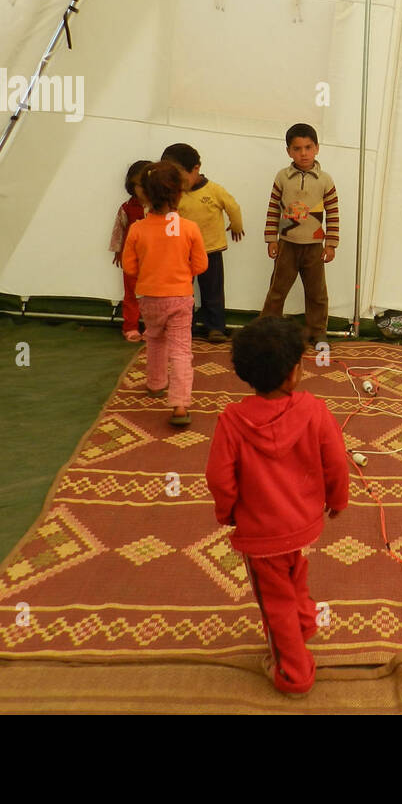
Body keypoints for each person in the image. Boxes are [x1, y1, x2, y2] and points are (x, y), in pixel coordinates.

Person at [205, 316, 350, 695]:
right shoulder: (315, 411)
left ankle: (293, 673)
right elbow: (337, 461)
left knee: (275, 602)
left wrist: (227, 512)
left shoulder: (231, 421)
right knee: (294, 573)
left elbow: (219, 478)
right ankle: (304, 624)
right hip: (303, 524)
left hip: (261, 535)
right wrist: (337, 499)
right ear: (293, 374)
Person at [122, 160, 209, 426]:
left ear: (145, 195)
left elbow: (129, 267)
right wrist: (181, 272)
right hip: (180, 297)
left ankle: (155, 383)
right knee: (181, 350)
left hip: (149, 298)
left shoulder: (137, 229)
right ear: (179, 194)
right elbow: (201, 265)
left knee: (155, 339)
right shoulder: (189, 228)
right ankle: (180, 404)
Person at [261, 124, 340, 349]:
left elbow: (333, 212)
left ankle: (318, 332)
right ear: (288, 151)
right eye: (297, 148)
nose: (303, 153)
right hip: (287, 244)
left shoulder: (325, 180)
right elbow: (273, 209)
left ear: (317, 148)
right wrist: (271, 238)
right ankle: (267, 330)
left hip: (314, 246)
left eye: (308, 147)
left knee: (317, 293)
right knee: (277, 291)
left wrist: (331, 244)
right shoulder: (282, 177)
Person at [161, 143, 244, 344]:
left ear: (196, 169)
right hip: (182, 252)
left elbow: (232, 206)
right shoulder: (173, 194)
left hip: (211, 250)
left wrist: (236, 225)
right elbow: (167, 217)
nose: (177, 182)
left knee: (213, 292)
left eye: (180, 176)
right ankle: (184, 327)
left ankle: (215, 328)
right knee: (182, 292)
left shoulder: (213, 190)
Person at [110, 159, 151, 342]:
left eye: (146, 185)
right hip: (132, 259)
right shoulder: (127, 208)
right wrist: (118, 251)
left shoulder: (161, 208)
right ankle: (130, 327)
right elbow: (119, 229)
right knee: (131, 295)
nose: (141, 190)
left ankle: (152, 327)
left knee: (153, 295)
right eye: (137, 185)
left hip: (155, 261)